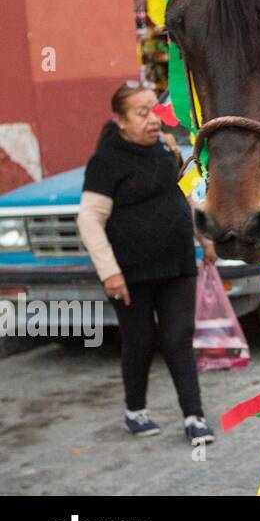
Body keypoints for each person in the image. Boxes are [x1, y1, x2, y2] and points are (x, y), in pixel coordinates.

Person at [76, 82, 215, 446]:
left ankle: (194, 417)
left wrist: (205, 239)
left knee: (178, 338)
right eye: (142, 113)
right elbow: (89, 220)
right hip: (130, 273)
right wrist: (110, 273)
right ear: (120, 120)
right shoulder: (106, 162)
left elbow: (186, 197)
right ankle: (135, 410)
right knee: (139, 341)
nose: (154, 119)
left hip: (178, 264)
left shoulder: (168, 149)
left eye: (155, 110)